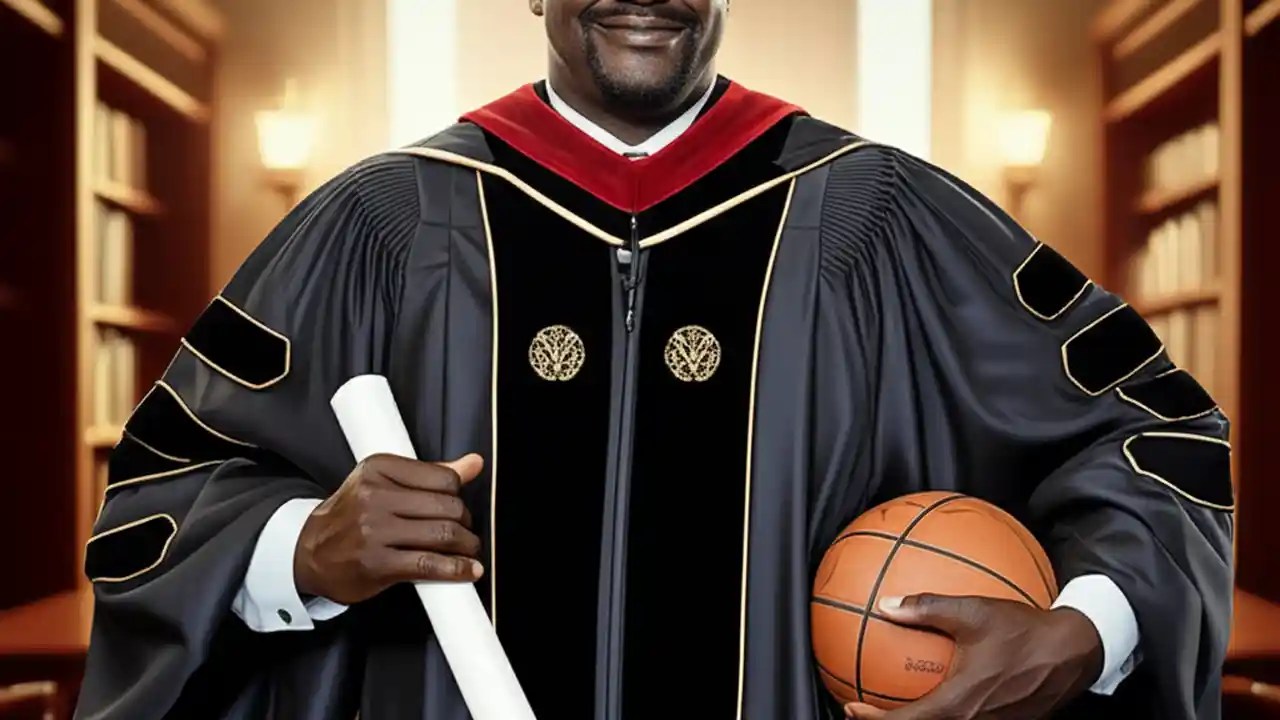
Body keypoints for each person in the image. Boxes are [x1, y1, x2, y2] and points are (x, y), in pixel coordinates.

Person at [74, 1, 1234, 719]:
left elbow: (1151, 432)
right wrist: (301, 551)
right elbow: (164, 493)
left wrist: (1087, 631)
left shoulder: (884, 219)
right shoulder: (379, 226)